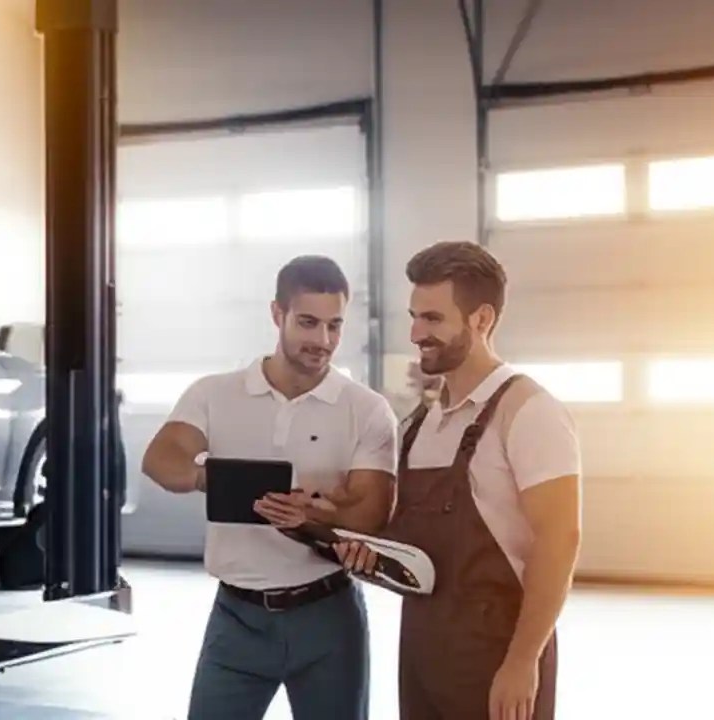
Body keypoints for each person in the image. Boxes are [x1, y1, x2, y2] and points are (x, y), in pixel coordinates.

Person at [141, 254, 399, 720]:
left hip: (328, 615)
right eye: (307, 322)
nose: (322, 340)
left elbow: (373, 511)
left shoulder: (367, 408)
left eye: (334, 326)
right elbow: (160, 460)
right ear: (277, 314)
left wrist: (318, 514)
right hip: (236, 619)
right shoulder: (214, 393)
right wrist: (219, 481)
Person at [336, 240, 582, 720]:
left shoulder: (529, 411)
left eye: (432, 318)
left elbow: (561, 539)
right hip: (424, 647)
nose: (415, 333)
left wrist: (522, 661)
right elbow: (418, 552)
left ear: (482, 319)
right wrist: (371, 558)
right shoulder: (422, 424)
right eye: (413, 316)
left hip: (497, 652)